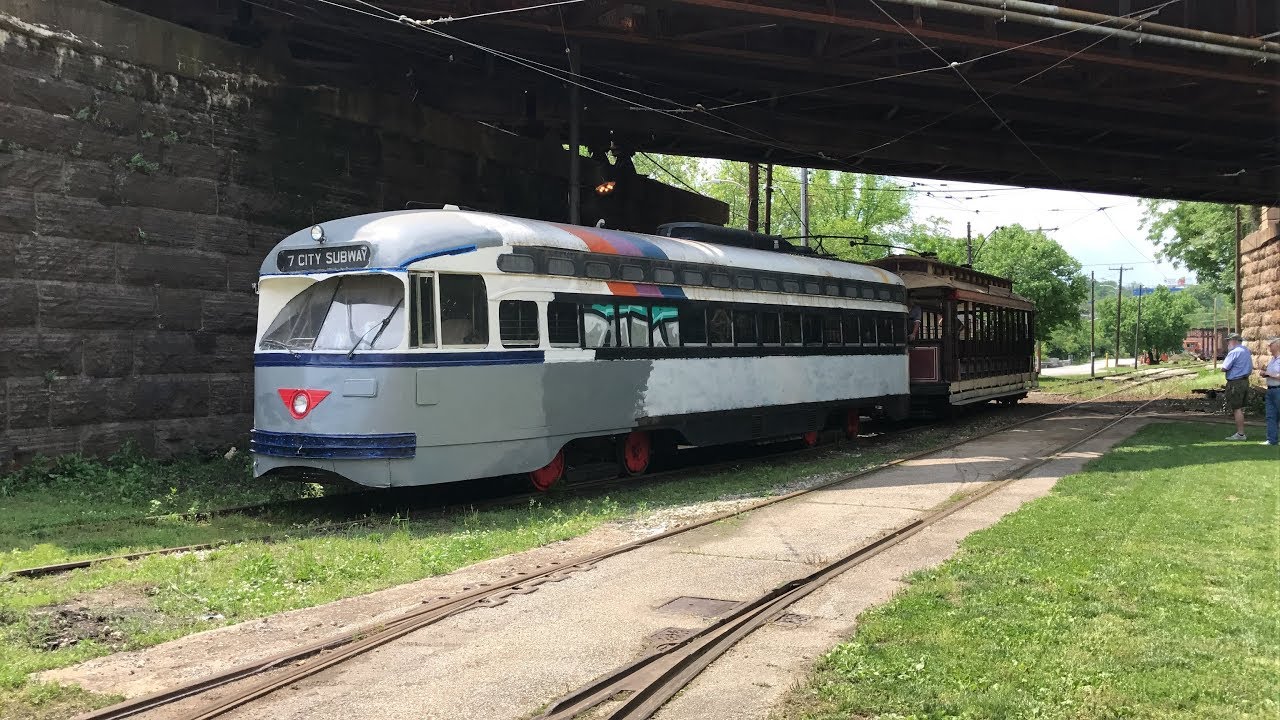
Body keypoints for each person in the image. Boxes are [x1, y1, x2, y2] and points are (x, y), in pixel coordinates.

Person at [1220, 333, 1252, 440]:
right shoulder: (1246, 351)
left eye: (1228, 341)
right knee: (1240, 408)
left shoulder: (1234, 352)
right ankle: (1240, 432)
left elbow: (1224, 367)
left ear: (1234, 341)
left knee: (1236, 408)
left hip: (1235, 383)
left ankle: (1240, 434)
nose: (1228, 343)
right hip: (1245, 381)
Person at [1259, 337, 1280, 447]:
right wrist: (1264, 373)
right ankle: (1272, 440)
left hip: (1278, 390)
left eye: (1271, 345)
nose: (1269, 347)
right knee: (1271, 416)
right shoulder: (1272, 360)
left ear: (1277, 345)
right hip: (1270, 390)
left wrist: (1268, 374)